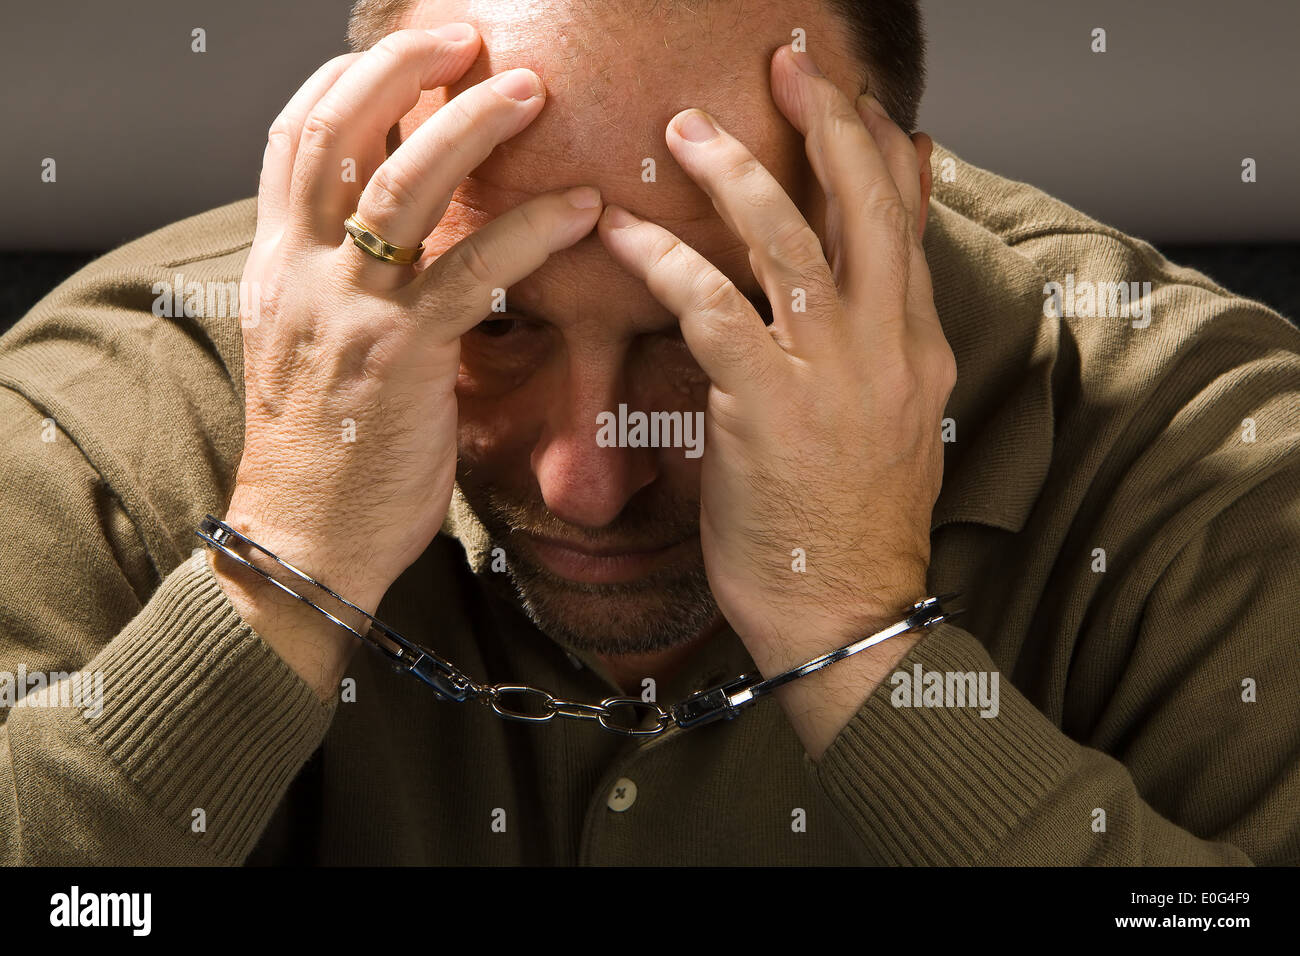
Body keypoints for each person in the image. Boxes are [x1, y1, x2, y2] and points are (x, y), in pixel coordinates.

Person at [0, 0, 1296, 865]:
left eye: (709, 321)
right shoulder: (114, 411)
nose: (588, 481)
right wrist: (280, 566)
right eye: (493, 325)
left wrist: (858, 637)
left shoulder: (1208, 464)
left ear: (895, 200)